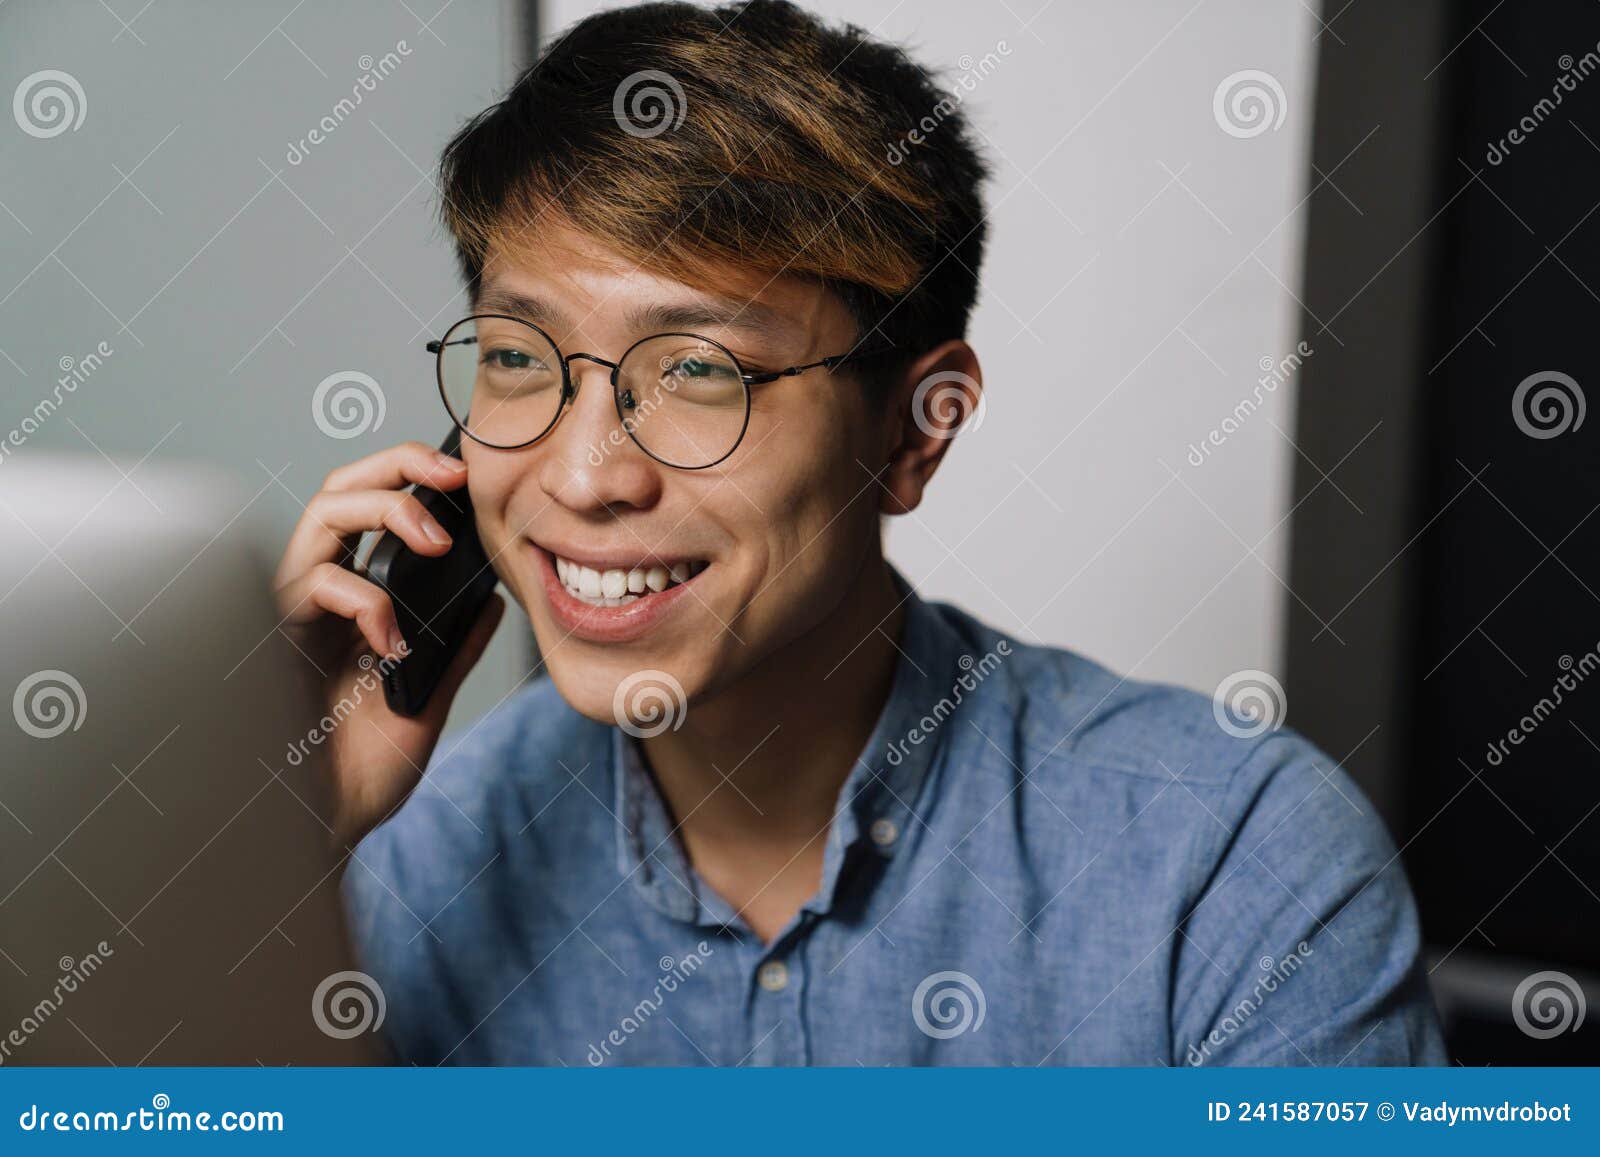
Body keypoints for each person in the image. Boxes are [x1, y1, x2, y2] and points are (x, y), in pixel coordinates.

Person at [275, 0, 1447, 1065]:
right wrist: (285, 828)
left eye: (699, 371)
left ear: (913, 430)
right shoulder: (406, 860)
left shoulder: (1232, 863)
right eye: (517, 357)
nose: (582, 476)